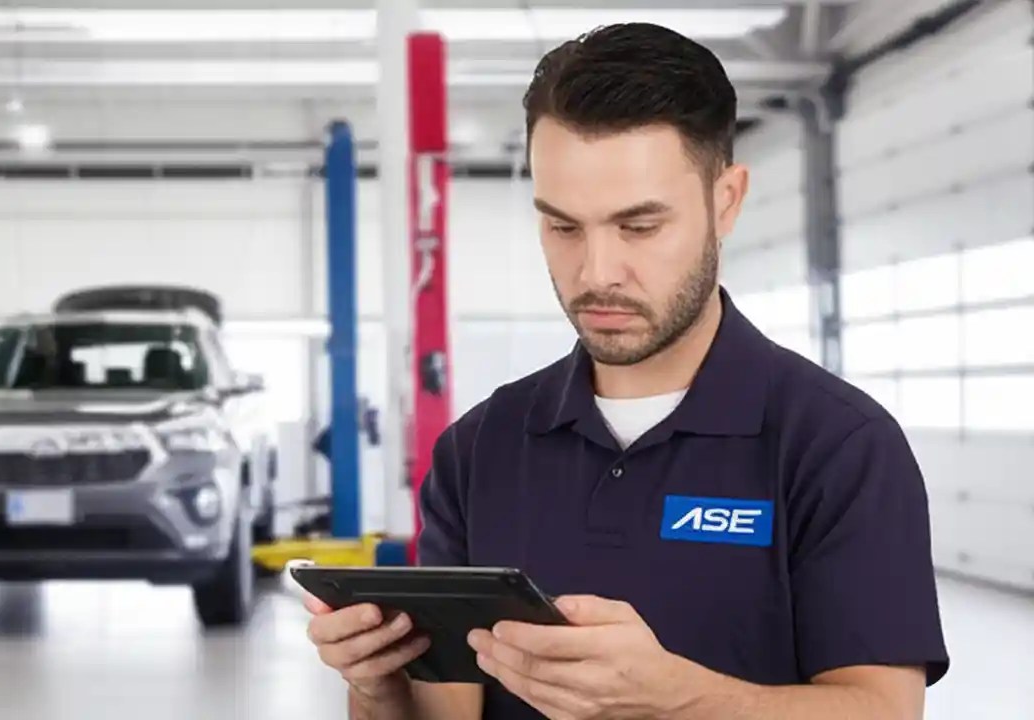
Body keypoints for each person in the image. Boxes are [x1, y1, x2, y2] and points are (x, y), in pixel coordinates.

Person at [303, 22, 949, 720]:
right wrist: (377, 688)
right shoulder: (479, 451)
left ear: (725, 200)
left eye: (639, 227)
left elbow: (883, 710)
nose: (597, 273)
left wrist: (675, 699)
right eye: (563, 226)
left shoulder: (838, 446)